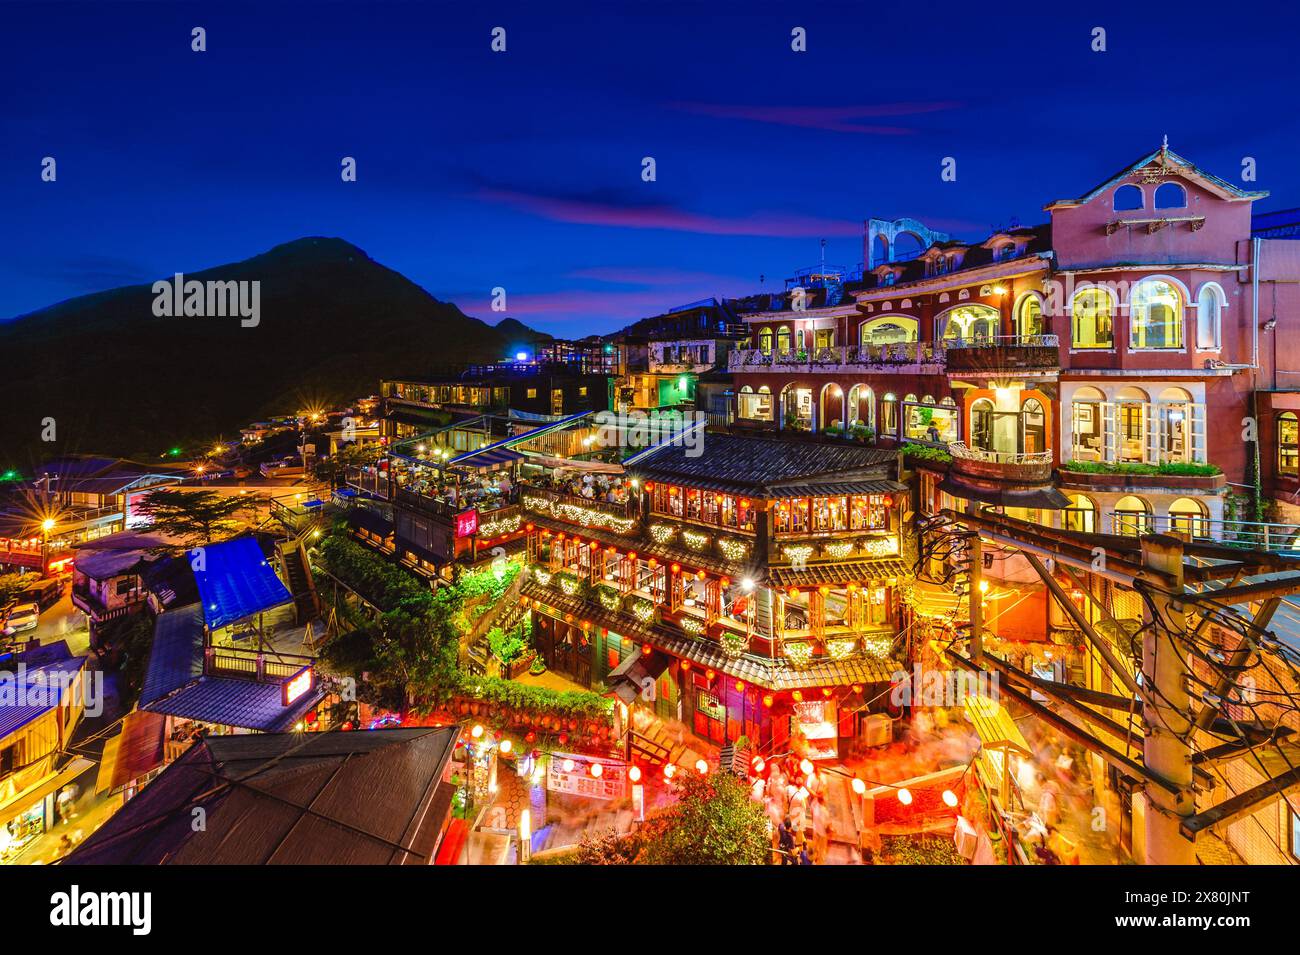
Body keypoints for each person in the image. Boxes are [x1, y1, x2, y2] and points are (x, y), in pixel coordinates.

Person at [810, 793, 832, 864]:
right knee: (822, 852)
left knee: (815, 848)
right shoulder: (824, 812)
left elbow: (811, 812)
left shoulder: (815, 806)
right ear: (823, 800)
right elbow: (826, 824)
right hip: (822, 834)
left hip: (815, 830)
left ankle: (813, 861)